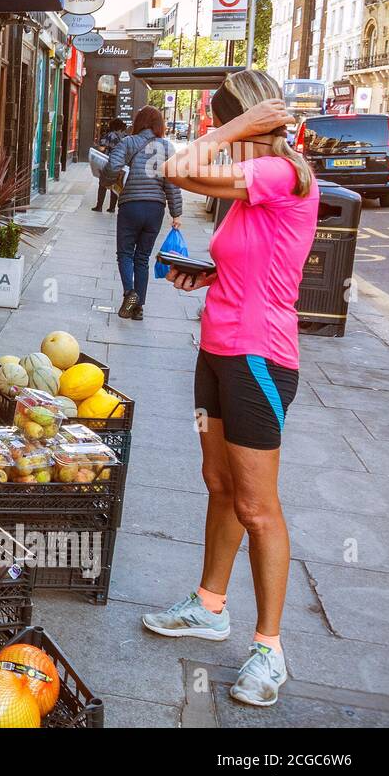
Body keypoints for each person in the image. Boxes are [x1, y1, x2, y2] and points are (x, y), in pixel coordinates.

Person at [144, 69, 318, 708]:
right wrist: (211, 275)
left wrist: (237, 127)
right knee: (218, 484)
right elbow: (191, 178)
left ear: (252, 123)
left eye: (226, 121)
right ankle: (210, 605)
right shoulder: (249, 191)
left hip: (259, 363)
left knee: (257, 506)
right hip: (217, 354)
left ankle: (270, 647)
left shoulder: (281, 174)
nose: (219, 134)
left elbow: (176, 169)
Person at [107, 106, 181, 320]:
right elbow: (172, 183)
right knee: (142, 257)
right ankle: (138, 308)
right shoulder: (167, 147)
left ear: (138, 122)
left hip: (131, 205)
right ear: (160, 125)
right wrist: (176, 213)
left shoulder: (128, 142)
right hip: (155, 208)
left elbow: (112, 166)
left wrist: (108, 181)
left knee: (125, 254)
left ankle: (129, 293)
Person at [91, 118, 128, 212]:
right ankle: (112, 208)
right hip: (120, 164)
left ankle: (99, 206)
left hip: (109, 163)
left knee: (102, 184)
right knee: (115, 185)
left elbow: (102, 147)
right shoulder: (125, 137)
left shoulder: (110, 135)